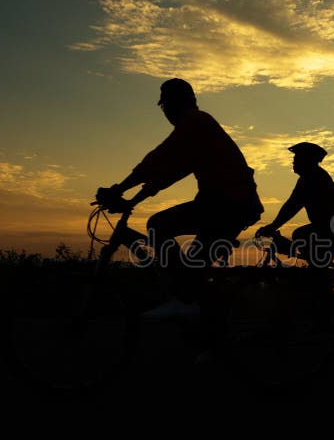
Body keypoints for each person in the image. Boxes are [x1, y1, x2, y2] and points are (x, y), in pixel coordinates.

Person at [99, 78, 263, 316]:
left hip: (227, 204)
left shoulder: (195, 122)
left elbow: (159, 158)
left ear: (174, 104)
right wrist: (132, 201)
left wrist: (119, 188)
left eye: (165, 106)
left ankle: (183, 299)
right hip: (229, 205)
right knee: (192, 269)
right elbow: (169, 173)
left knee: (158, 225)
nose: (165, 112)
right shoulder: (197, 130)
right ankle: (197, 316)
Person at [256, 142, 334, 268]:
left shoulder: (311, 178)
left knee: (301, 237)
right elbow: (291, 205)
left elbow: (292, 206)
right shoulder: (311, 176)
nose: (293, 162)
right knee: (309, 248)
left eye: (296, 159)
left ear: (307, 160)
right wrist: (273, 226)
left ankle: (316, 277)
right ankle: (317, 273)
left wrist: (273, 226)